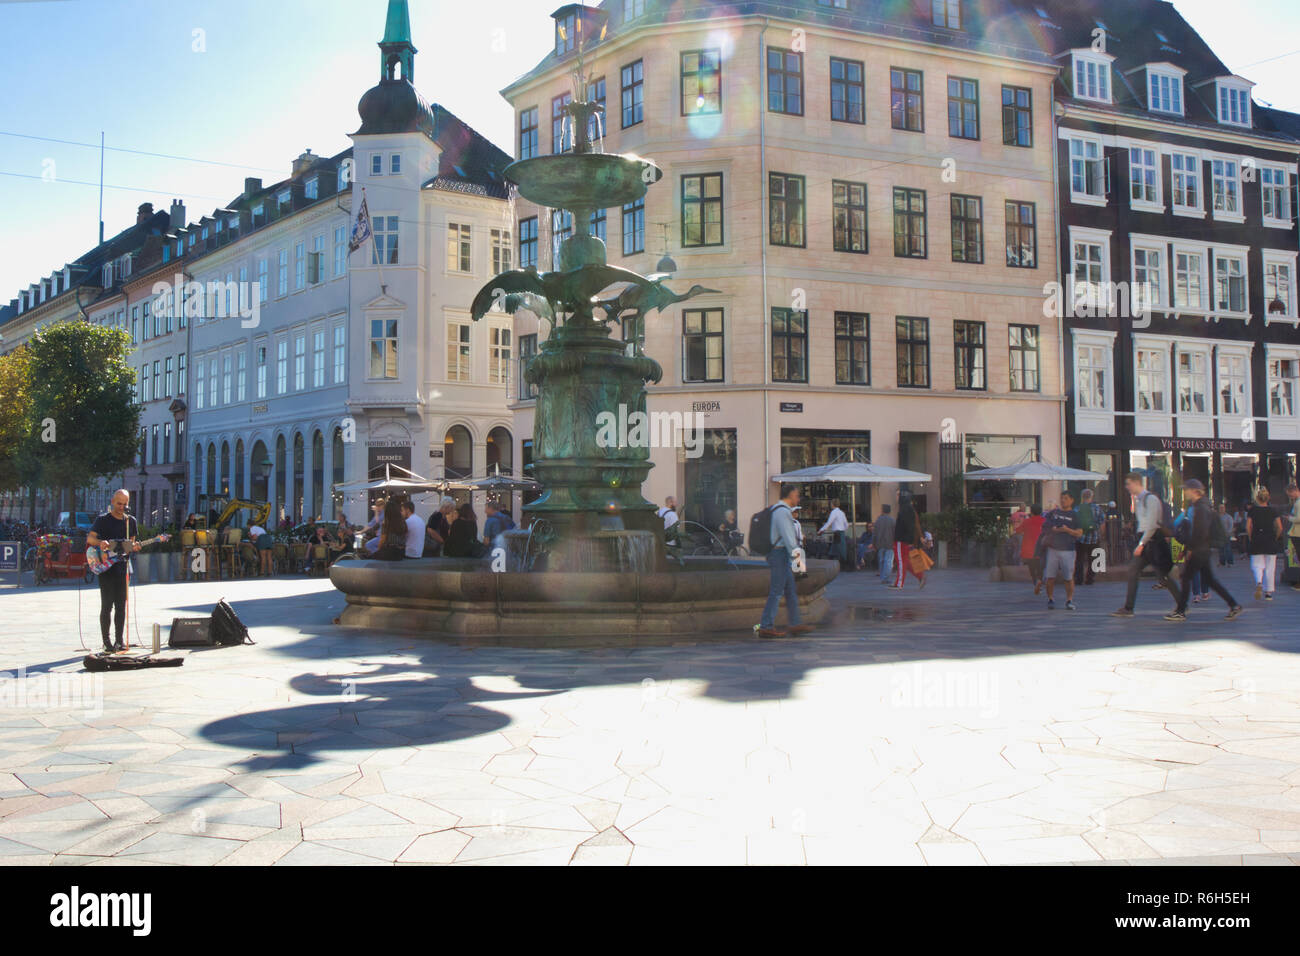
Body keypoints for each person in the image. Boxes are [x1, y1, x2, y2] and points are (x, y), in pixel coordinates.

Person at [1163, 480, 1241, 621]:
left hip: (1198, 549)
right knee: (1210, 580)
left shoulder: (1200, 508)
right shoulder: (1202, 506)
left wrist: (1190, 549)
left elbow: (1199, 531)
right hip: (1203, 549)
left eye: (1186, 489)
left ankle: (1181, 611)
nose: (1185, 492)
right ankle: (1234, 605)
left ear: (1194, 491)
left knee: (1186, 578)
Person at [1112, 472, 1177, 617]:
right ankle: (1128, 608)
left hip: (1152, 541)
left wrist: (1141, 544)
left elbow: (1152, 525)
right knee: (1133, 571)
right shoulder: (1139, 500)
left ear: (1136, 482)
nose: (1127, 487)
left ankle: (1182, 604)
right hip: (1145, 540)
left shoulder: (1151, 499)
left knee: (1162, 575)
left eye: (1128, 484)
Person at [86, 490, 142, 653]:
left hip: (122, 567)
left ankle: (119, 640)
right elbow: (90, 539)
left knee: (121, 606)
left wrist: (135, 547)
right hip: (106, 568)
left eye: (125, 504)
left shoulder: (130, 521)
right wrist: (101, 542)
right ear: (112, 501)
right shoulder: (103, 520)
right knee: (107, 605)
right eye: (119, 503)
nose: (122, 507)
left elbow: (131, 545)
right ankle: (106, 641)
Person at [758, 484, 813, 638]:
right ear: (789, 495)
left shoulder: (778, 510)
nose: (798, 498)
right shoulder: (782, 512)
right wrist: (798, 563)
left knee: (790, 590)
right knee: (776, 591)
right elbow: (789, 540)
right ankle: (766, 626)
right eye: (796, 495)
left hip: (779, 554)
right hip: (780, 554)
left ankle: (795, 623)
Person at [1041, 490, 1083, 610]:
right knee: (1050, 576)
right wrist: (1053, 529)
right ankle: (1050, 598)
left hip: (1068, 549)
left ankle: (1069, 600)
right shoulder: (1054, 513)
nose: (1063, 500)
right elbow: (1045, 526)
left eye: (1066, 498)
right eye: (1062, 498)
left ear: (1071, 500)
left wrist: (1067, 530)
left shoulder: (1075, 515)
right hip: (1053, 548)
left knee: (1068, 577)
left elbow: (1079, 533)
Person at [1246, 488, 1283, 602]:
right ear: (1268, 498)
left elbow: (1248, 526)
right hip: (1270, 538)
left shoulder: (1252, 510)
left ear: (1257, 498)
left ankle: (1259, 582)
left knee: (1257, 565)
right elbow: (1280, 527)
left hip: (1257, 538)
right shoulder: (1273, 510)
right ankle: (1268, 592)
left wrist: (1251, 537)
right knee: (1270, 567)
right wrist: (1276, 537)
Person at [890, 492, 926, 590]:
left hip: (901, 540)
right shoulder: (910, 509)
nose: (896, 497)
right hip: (905, 540)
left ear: (902, 498)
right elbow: (912, 526)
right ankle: (920, 576)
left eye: (898, 495)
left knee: (901, 561)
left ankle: (899, 583)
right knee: (906, 562)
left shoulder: (904, 510)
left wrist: (910, 539)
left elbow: (908, 526)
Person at [1073, 488, 1106, 586]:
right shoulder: (1097, 508)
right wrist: (1101, 534)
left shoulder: (1077, 508)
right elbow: (1102, 523)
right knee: (1093, 559)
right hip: (1094, 537)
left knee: (1079, 559)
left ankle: (1079, 579)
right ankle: (1090, 579)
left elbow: (1074, 523)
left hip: (1080, 537)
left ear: (1082, 497)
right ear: (1091, 497)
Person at [1020, 502, 1045, 594]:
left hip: (1029, 549)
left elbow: (1019, 530)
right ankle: (1040, 580)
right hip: (1040, 549)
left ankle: (1035, 581)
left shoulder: (1027, 521)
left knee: (1031, 567)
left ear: (1031, 512)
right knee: (1040, 567)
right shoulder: (1044, 521)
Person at [817, 498, 849, 568]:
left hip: (837, 533)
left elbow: (829, 523)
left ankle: (843, 564)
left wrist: (821, 530)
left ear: (833, 504)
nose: (830, 505)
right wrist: (842, 529)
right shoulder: (842, 513)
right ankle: (842, 564)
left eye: (831, 503)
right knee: (838, 549)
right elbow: (846, 524)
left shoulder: (834, 512)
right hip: (841, 533)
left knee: (838, 549)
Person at [872, 504, 895, 585]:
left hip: (880, 544)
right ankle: (885, 578)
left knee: (881, 560)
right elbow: (895, 533)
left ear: (882, 510)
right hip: (890, 544)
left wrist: (874, 543)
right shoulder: (893, 520)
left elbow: (874, 533)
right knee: (888, 561)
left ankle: (882, 577)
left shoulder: (878, 520)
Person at [1287, 483, 1300, 591]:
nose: (1290, 497)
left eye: (1290, 495)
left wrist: (1289, 518)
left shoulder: (1298, 503)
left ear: (1294, 491)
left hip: (1297, 533)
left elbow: (1298, 519)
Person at [1217, 503, 1236, 567]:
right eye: (1220, 508)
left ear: (1225, 508)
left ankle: (1230, 562)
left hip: (1226, 535)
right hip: (1219, 535)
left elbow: (1231, 525)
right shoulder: (1217, 516)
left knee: (1228, 549)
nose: (1221, 509)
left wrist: (1228, 532)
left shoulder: (1228, 516)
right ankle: (1221, 562)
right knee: (1220, 549)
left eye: (1223, 507)